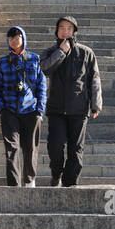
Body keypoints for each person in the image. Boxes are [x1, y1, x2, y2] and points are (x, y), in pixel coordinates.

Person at [40, 15, 102, 187]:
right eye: (62, 27)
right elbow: (44, 69)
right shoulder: (50, 52)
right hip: (56, 108)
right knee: (55, 146)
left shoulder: (86, 53)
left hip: (79, 108)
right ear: (57, 31)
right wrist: (61, 52)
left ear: (74, 31)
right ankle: (56, 173)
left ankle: (69, 184)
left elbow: (94, 79)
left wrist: (95, 104)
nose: (65, 31)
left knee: (76, 151)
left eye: (69, 28)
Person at [0, 25, 47, 187]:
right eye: (11, 38)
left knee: (30, 148)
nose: (14, 41)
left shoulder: (35, 59)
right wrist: (2, 108)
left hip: (31, 110)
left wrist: (40, 109)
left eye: (17, 37)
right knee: (11, 148)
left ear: (23, 39)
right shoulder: (1, 62)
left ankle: (29, 180)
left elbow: (41, 86)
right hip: (9, 110)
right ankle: (14, 184)